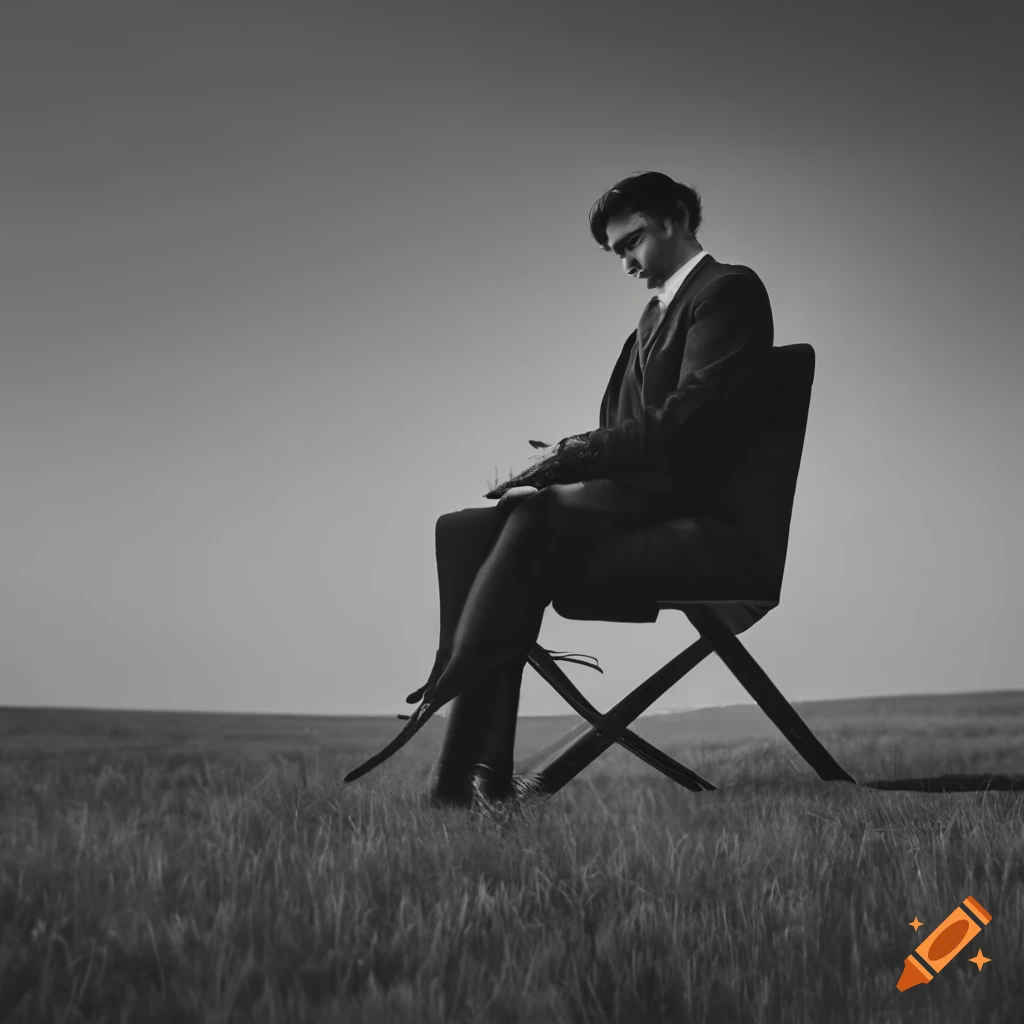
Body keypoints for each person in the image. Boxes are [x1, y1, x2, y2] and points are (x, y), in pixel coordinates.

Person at [344, 170, 775, 805]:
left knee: (535, 515)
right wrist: (562, 459)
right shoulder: (652, 317)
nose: (625, 262)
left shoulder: (728, 290)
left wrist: (569, 458)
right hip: (639, 498)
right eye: (616, 253)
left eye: (632, 242)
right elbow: (628, 429)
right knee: (463, 527)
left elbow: (688, 422)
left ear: (677, 219)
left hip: (693, 511)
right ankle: (474, 749)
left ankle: (453, 762)